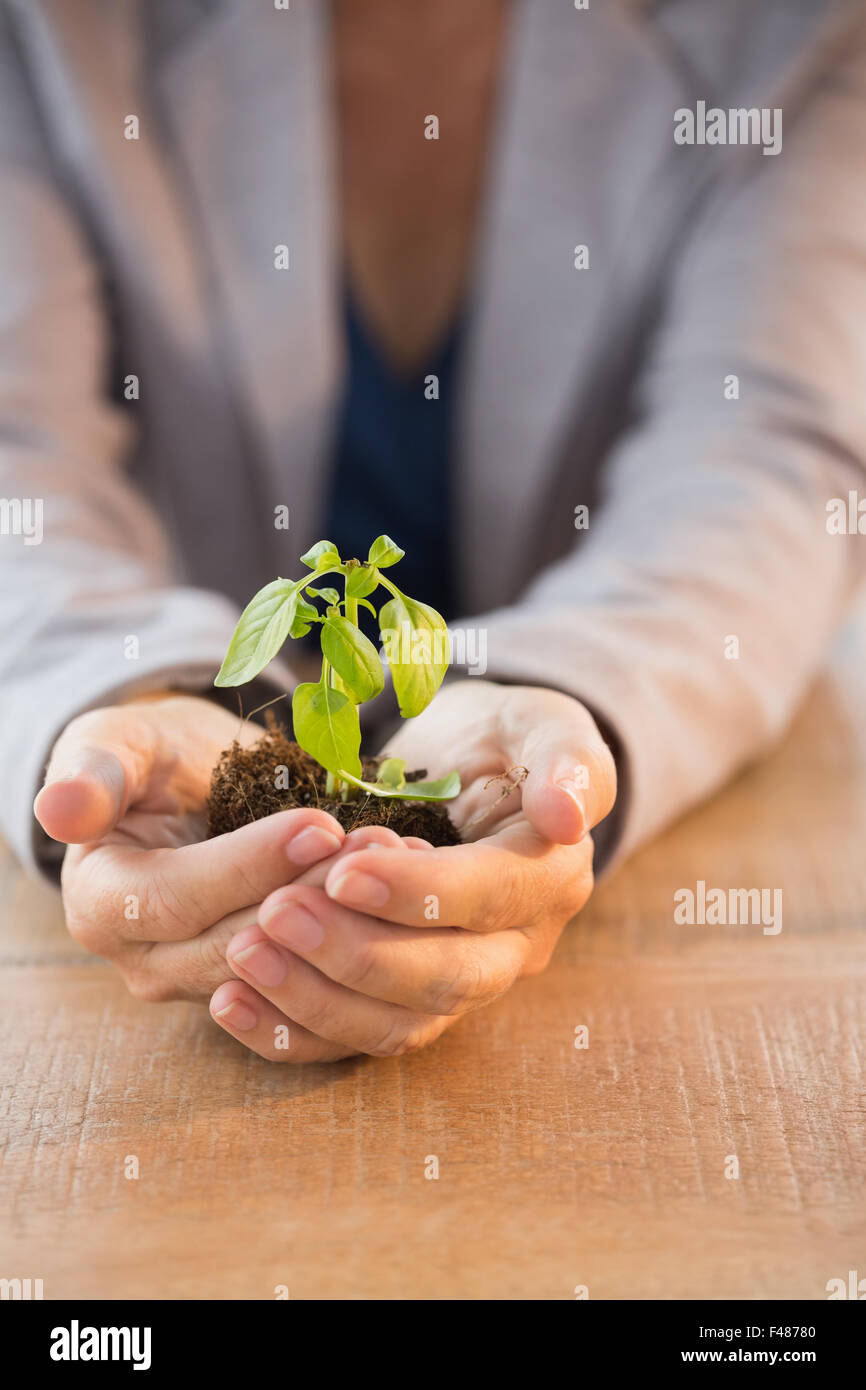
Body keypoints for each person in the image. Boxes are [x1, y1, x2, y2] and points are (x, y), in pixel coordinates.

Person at [2, 0, 864, 1062]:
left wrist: (564, 706)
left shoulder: (799, 27)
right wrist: (132, 696)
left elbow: (765, 455)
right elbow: (15, 450)